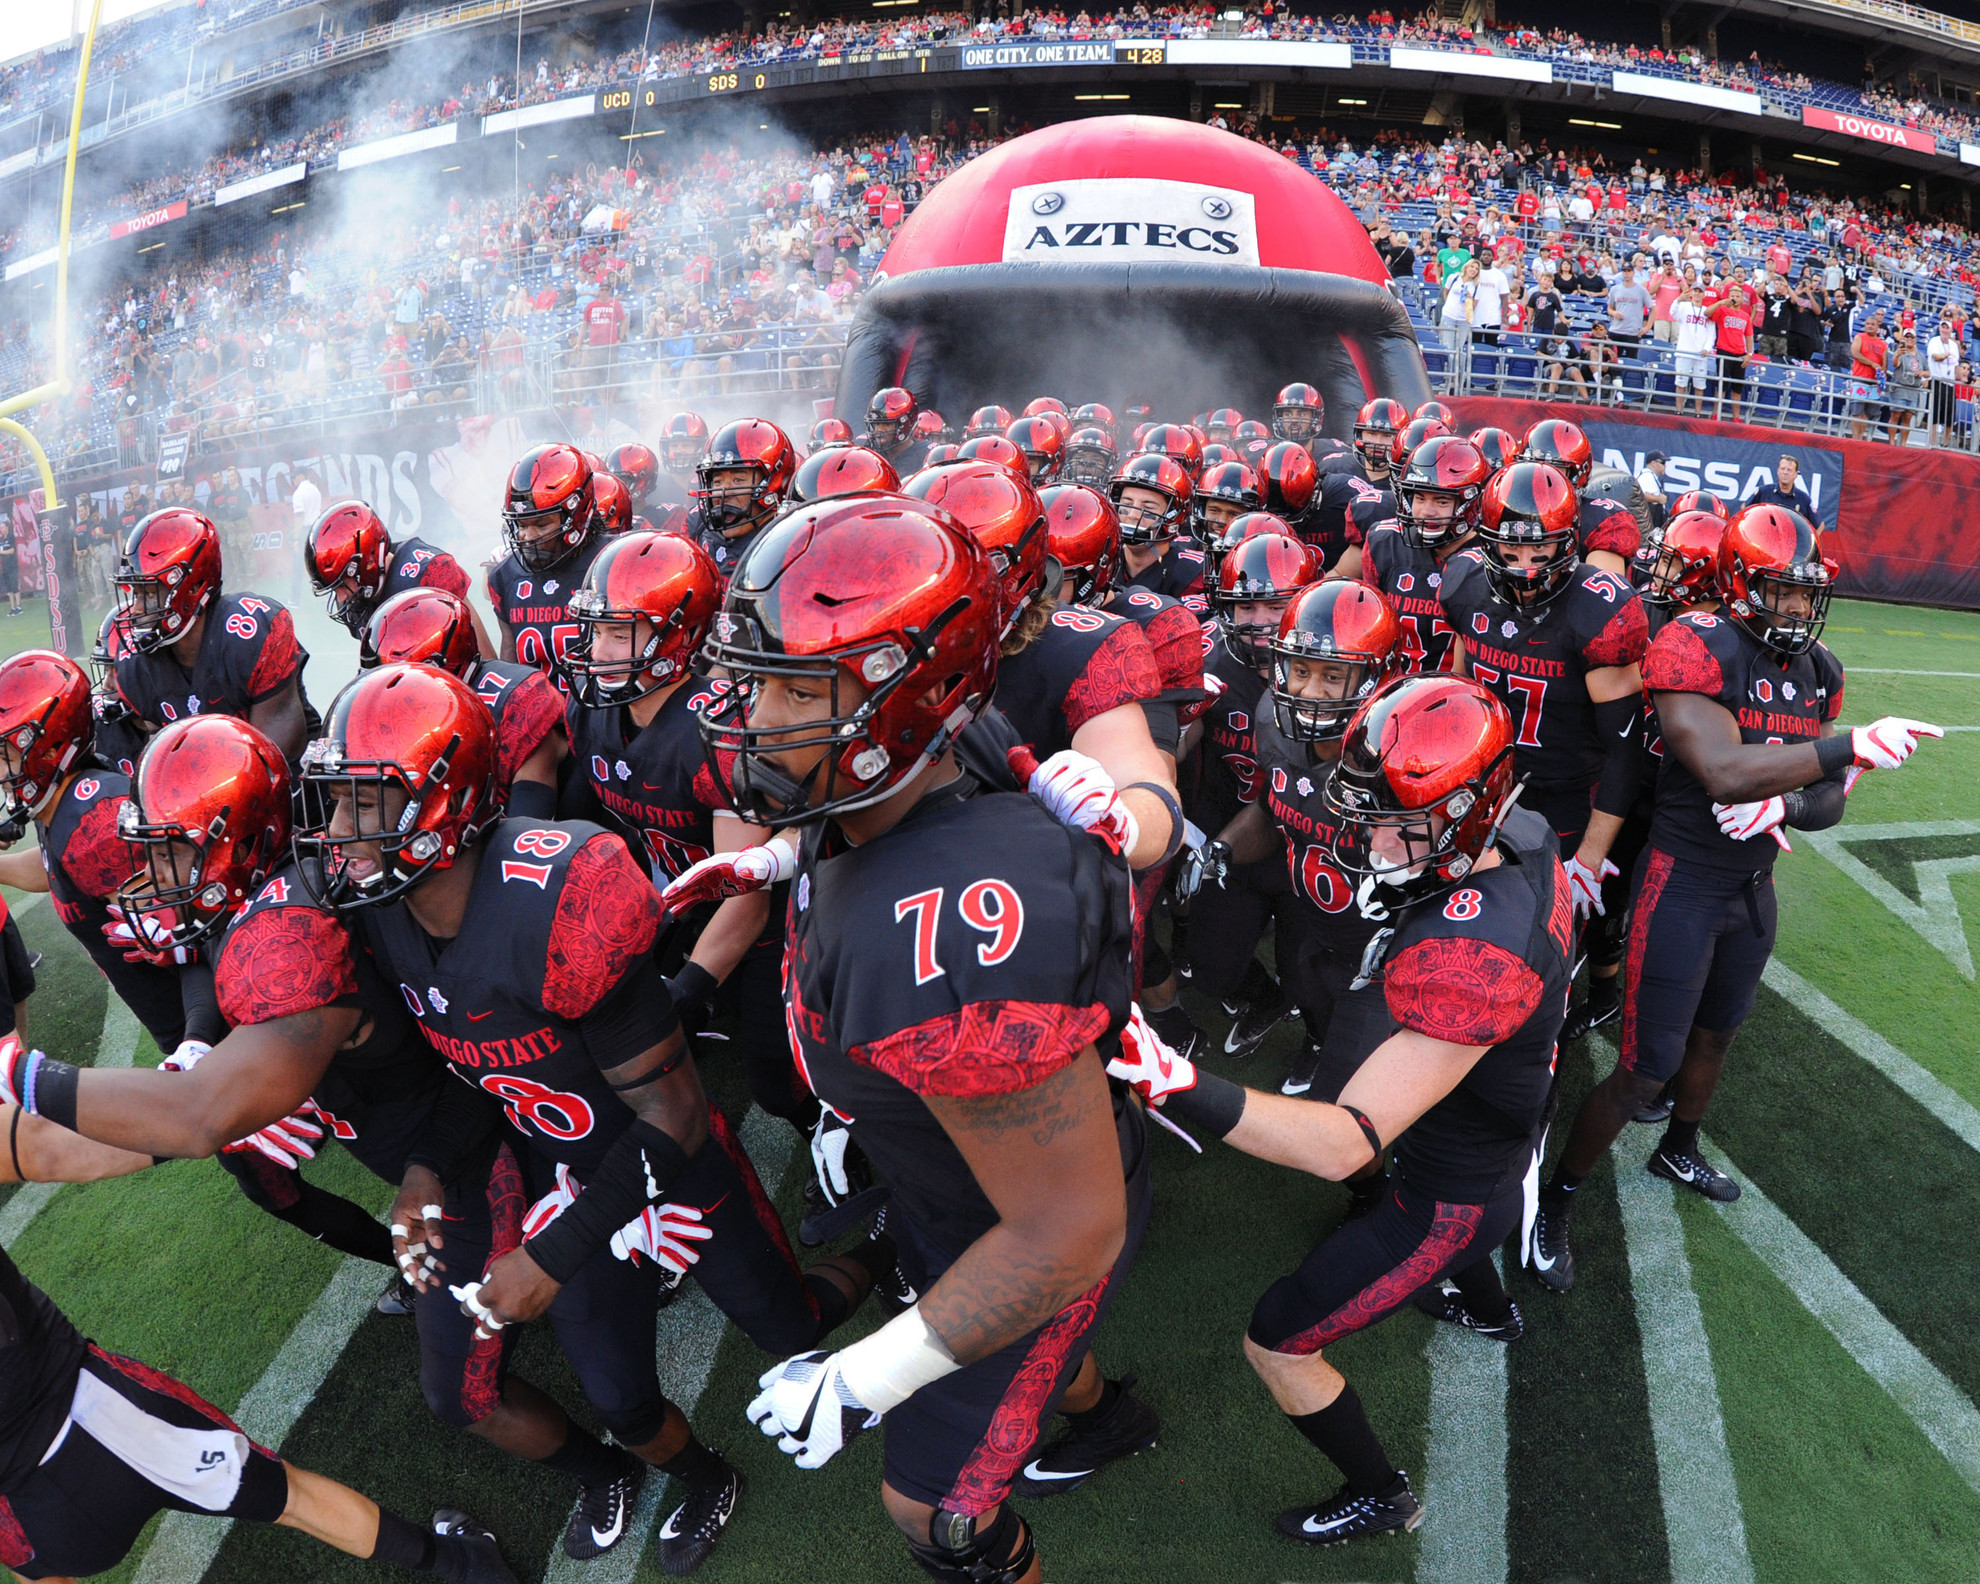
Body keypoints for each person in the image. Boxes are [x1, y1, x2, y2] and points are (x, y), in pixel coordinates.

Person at [291, 662, 892, 1572]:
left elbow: (678, 1111)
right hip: (564, 1180)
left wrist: (554, 1251)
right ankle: (707, 1479)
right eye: (336, 803)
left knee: (791, 1327)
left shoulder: (557, 897)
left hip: (670, 1165)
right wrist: (424, 1172)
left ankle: (886, 1244)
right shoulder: (382, 917)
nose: (337, 834)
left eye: (364, 808)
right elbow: (478, 1071)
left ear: (443, 808)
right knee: (615, 1392)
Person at [699, 496, 1153, 1584]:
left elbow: (1064, 1233)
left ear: (906, 695)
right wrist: (782, 864)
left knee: (932, 1509)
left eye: (793, 687)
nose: (752, 713)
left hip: (1025, 1212)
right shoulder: (942, 745)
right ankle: (1100, 1414)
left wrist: (864, 1378)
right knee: (1038, 1356)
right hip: (962, 1174)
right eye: (756, 675)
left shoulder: (949, 941)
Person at [1110, 673, 1566, 1544]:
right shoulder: (1526, 836)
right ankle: (1488, 1305)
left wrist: (1176, 1081)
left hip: (1453, 1189)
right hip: (1498, 1128)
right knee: (1460, 1171)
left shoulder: (1471, 957)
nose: (1373, 839)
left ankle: (1382, 1492)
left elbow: (1345, 1145)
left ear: (1472, 809)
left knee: (1277, 1339)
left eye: (1400, 822)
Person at [1532, 506, 1940, 1290]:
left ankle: (1680, 1148)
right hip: (1681, 883)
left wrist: (1788, 801)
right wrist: (1841, 748)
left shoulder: (1818, 670)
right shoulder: (1696, 642)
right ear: (1735, 582)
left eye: (1802, 592)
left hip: (1753, 890)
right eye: (1776, 590)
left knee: (1716, 1038)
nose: (1793, 607)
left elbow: (1829, 803)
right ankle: (1559, 1196)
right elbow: (1721, 770)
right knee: (1644, 1069)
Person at [0, 1233, 516, 1584]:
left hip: (24, 1511)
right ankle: (467, 1565)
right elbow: (48, 1139)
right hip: (107, 1415)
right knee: (295, 1499)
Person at [110, 507, 314, 766]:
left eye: (149, 594)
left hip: (280, 785)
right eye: (135, 594)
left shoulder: (250, 632)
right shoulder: (135, 666)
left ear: (194, 587)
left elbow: (278, 750)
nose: (137, 609)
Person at [361, 587, 568, 819]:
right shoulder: (397, 710)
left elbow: (529, 824)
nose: (394, 701)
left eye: (405, 686)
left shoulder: (517, 702)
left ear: (444, 668)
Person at [1360, 433, 1490, 675]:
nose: (1426, 511)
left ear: (1471, 504)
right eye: (1419, 498)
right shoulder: (1385, 541)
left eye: (1441, 502)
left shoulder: (1490, 560)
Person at [487, 443, 609, 686]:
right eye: (522, 525)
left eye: (542, 525)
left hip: (605, 711)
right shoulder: (505, 576)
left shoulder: (614, 562)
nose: (529, 536)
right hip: (543, 718)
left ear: (577, 512)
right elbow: (512, 668)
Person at [304, 500, 491, 655]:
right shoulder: (353, 603)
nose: (341, 598)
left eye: (342, 584)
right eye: (333, 588)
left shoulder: (429, 573)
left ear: (368, 563)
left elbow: (483, 657)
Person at [1741, 454, 1815, 520]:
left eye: (1789, 470)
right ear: (1778, 471)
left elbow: (1819, 526)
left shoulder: (1804, 498)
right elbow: (1744, 509)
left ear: (1795, 474)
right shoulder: (1763, 491)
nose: (1785, 472)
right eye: (1782, 469)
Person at [1636, 452, 1669, 529]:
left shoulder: (1649, 475)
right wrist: (1658, 499)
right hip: (1646, 525)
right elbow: (1639, 495)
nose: (1665, 465)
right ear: (1653, 463)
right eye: (1663, 462)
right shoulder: (1647, 476)